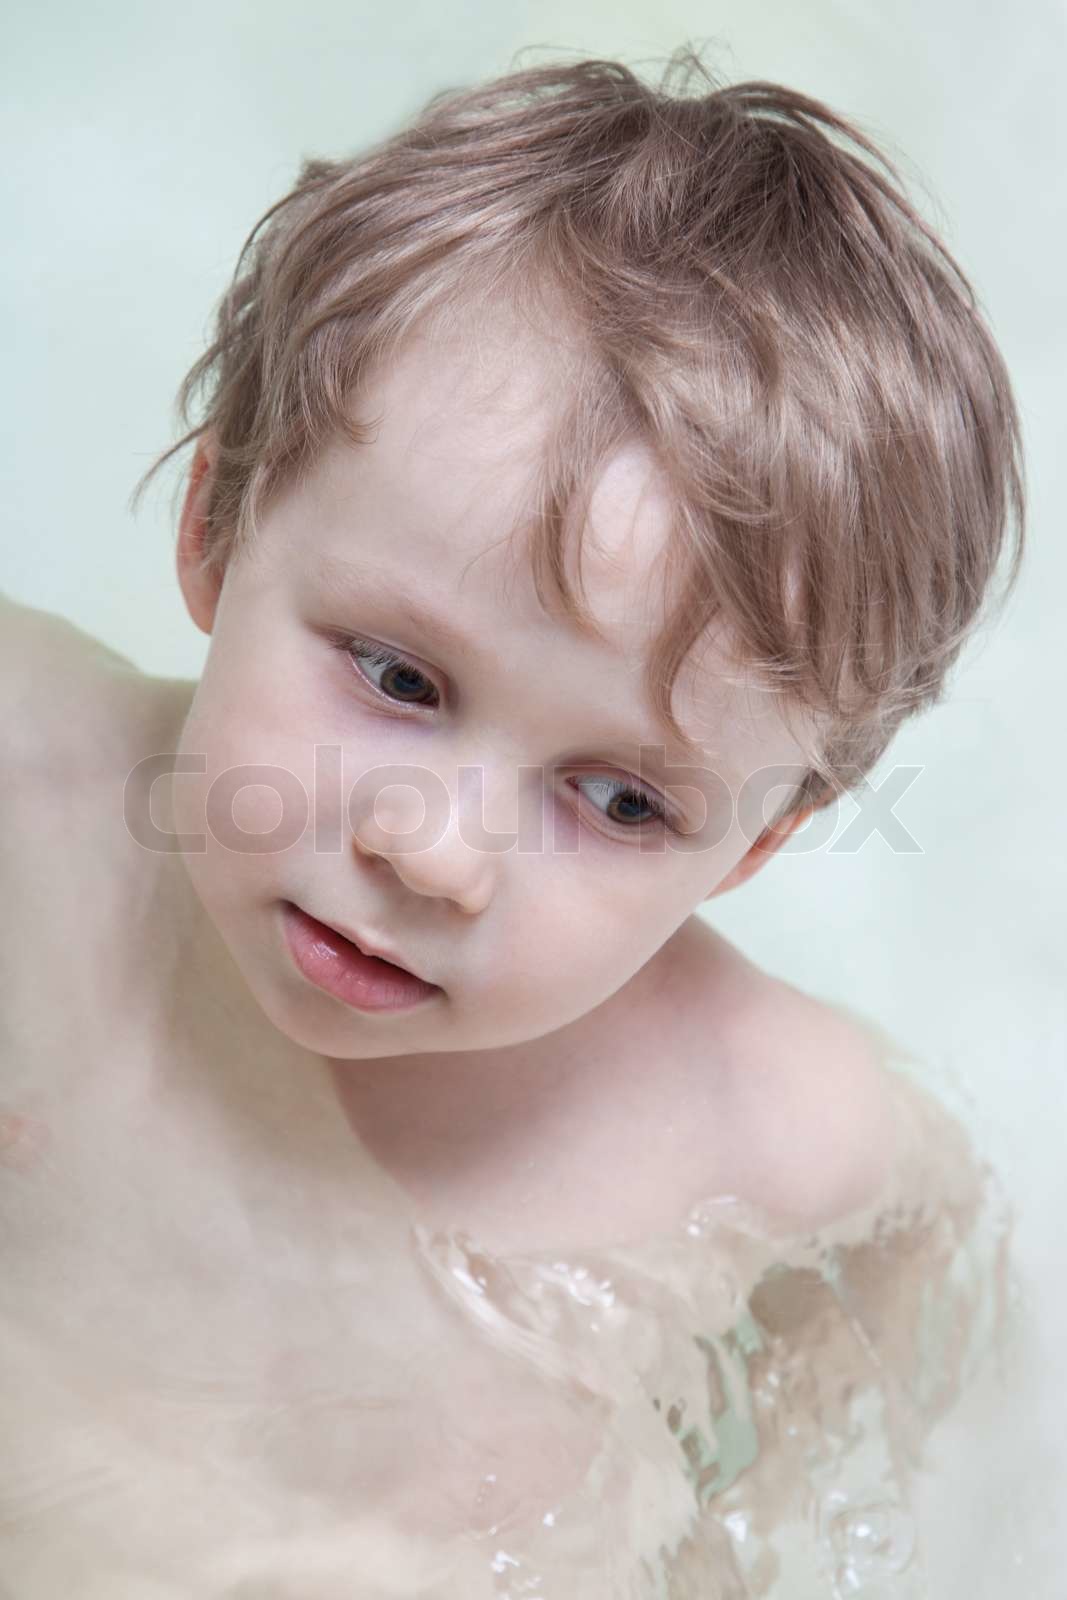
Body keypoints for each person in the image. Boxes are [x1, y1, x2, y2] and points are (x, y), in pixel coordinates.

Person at [0, 47, 1025, 1597]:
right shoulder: (26, 787)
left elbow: (897, 1409)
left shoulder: (791, 1138)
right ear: (216, 528)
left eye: (620, 799)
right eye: (399, 676)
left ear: (751, 849)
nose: (436, 852)